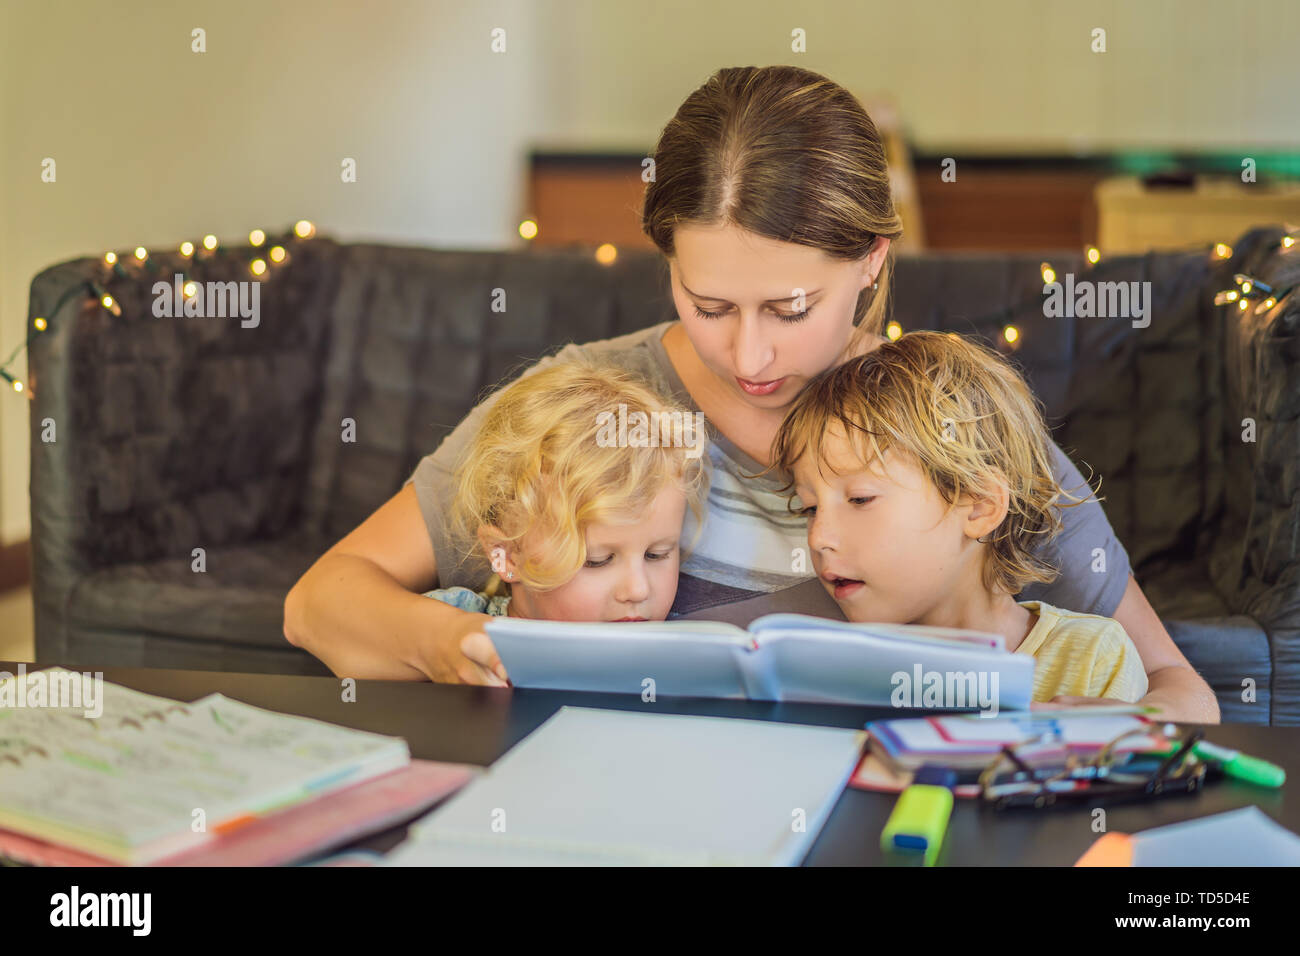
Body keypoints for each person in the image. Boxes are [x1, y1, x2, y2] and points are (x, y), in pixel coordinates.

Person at [283, 64, 1217, 720]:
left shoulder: (942, 421)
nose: (750, 352)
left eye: (790, 306)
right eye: (709, 302)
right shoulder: (584, 410)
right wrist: (446, 648)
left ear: (869, 265)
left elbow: (1176, 683)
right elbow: (322, 601)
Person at [769, 330, 1148, 703]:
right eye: (811, 508)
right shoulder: (837, 670)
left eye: (860, 499)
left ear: (980, 505)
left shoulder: (1093, 661)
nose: (818, 537)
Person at [422, 358, 709, 645]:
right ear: (506, 554)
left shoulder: (676, 652)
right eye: (598, 561)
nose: (638, 589)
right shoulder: (449, 633)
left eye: (657, 554)